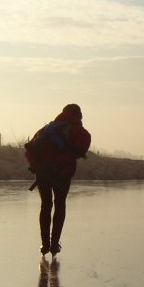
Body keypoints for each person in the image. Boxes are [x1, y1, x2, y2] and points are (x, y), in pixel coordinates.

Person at [31, 104, 91, 256]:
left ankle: (45, 244)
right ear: (79, 115)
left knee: (46, 204)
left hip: (43, 172)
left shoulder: (47, 129)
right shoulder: (82, 133)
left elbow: (31, 148)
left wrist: (35, 165)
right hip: (63, 173)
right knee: (60, 205)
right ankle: (54, 244)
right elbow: (80, 151)